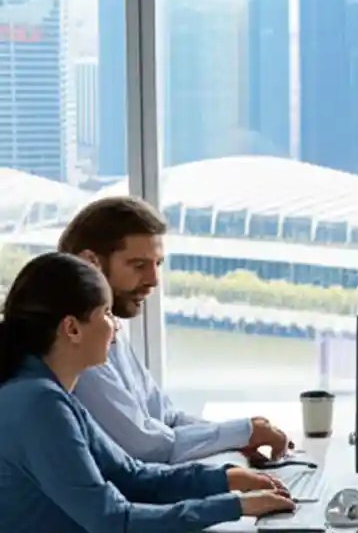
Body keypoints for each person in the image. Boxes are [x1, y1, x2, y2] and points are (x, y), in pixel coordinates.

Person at [0, 252, 296, 532]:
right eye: (106, 313)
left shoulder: (48, 394)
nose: (115, 327)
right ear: (72, 329)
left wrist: (227, 478)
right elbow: (113, 521)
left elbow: (133, 477)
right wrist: (235, 506)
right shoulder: (39, 404)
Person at [58, 196, 292, 465]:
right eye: (139, 265)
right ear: (91, 263)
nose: (153, 280)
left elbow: (166, 418)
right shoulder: (76, 343)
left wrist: (241, 437)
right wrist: (243, 433)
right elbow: (144, 447)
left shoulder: (111, 328)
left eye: (157, 264)